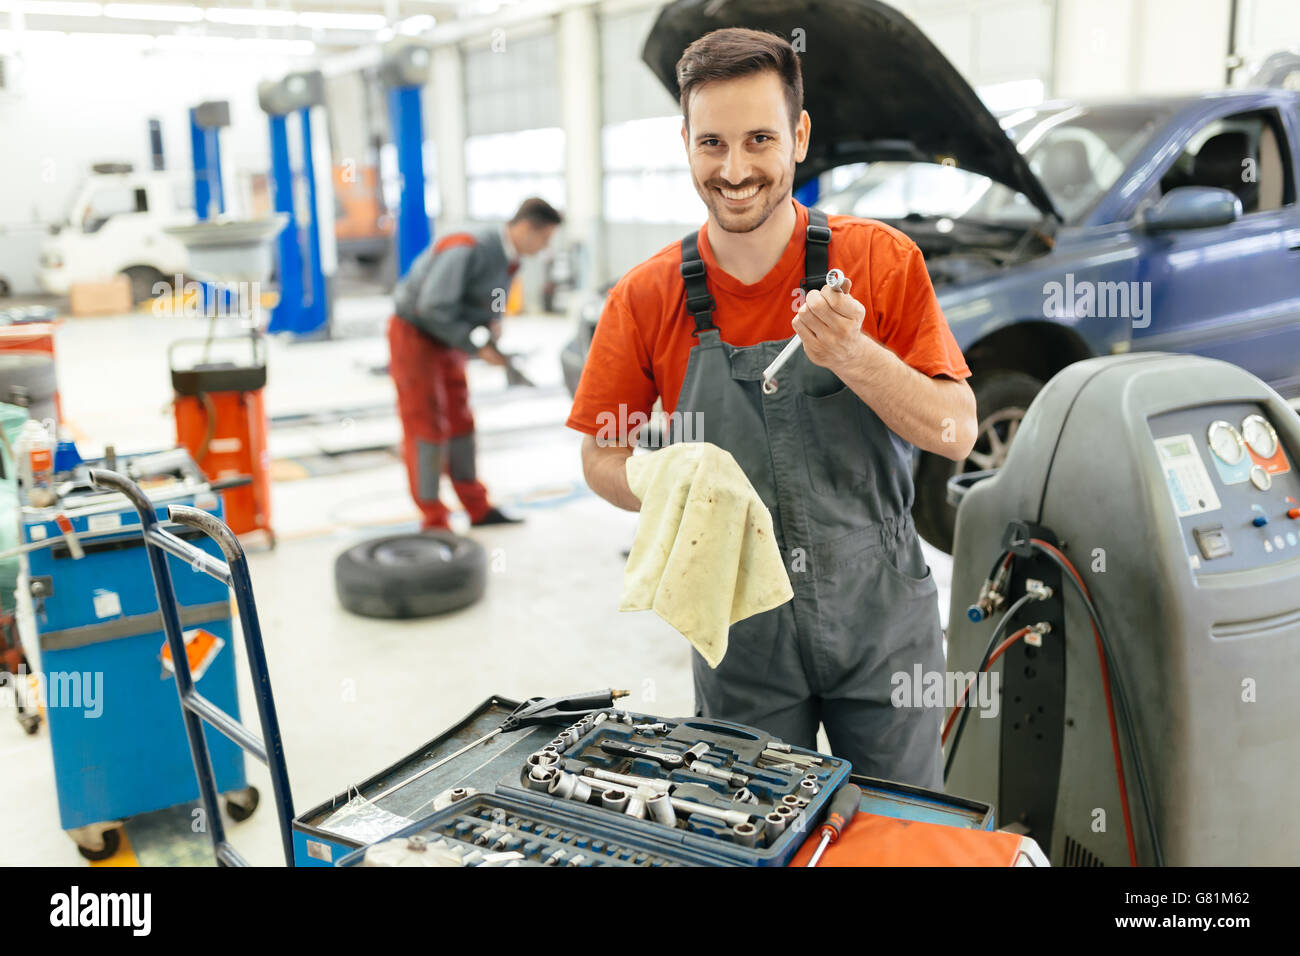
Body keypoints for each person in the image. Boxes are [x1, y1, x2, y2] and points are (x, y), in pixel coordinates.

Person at [566, 29, 977, 788]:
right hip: (736, 626)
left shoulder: (883, 264)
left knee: (898, 832)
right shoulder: (647, 296)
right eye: (712, 142)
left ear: (800, 134)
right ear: (685, 141)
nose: (735, 170)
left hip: (881, 621)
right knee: (752, 829)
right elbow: (599, 454)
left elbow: (956, 432)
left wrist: (858, 359)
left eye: (760, 139)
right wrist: (658, 476)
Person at [390, 197, 562, 530]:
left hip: (449, 338)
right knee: (425, 424)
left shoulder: (509, 259)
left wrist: (491, 327)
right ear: (525, 228)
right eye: (544, 239)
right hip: (416, 334)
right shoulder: (466, 247)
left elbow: (492, 298)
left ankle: (477, 508)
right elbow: (431, 307)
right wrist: (474, 346)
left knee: (460, 421)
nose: (545, 247)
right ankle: (434, 518)